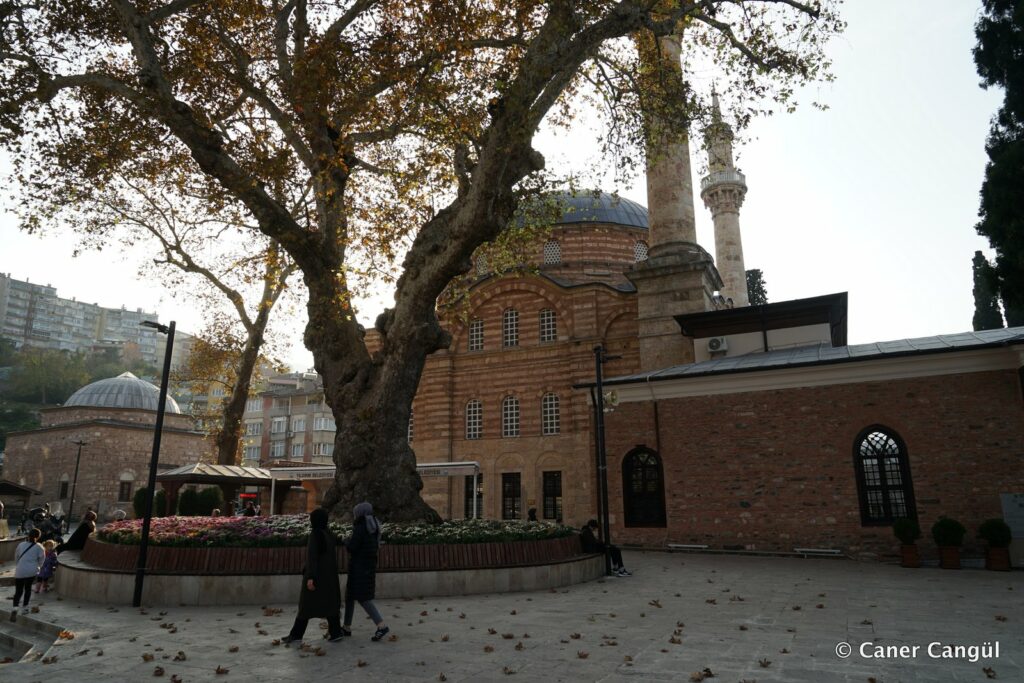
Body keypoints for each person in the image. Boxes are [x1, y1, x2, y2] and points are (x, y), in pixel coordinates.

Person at [282, 508, 343, 644]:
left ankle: (296, 634)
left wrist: (310, 577)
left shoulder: (315, 535)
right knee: (330, 605)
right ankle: (336, 632)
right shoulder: (329, 535)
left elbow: (312, 558)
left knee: (305, 606)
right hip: (330, 578)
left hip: (316, 577)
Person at [342, 502, 389, 641]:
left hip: (359, 567)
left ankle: (381, 626)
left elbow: (353, 547)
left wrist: (345, 541)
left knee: (363, 598)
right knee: (350, 596)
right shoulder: (374, 525)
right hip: (368, 566)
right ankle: (346, 626)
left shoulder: (360, 527)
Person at [12, 528, 44, 618]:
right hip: (31, 571)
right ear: (38, 537)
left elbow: (16, 557)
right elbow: (42, 560)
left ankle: (15, 608)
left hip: (20, 570)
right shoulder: (39, 547)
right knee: (28, 589)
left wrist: (19, 565)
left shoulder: (21, 545)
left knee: (18, 590)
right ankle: (25, 608)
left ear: (28, 535)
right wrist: (38, 567)